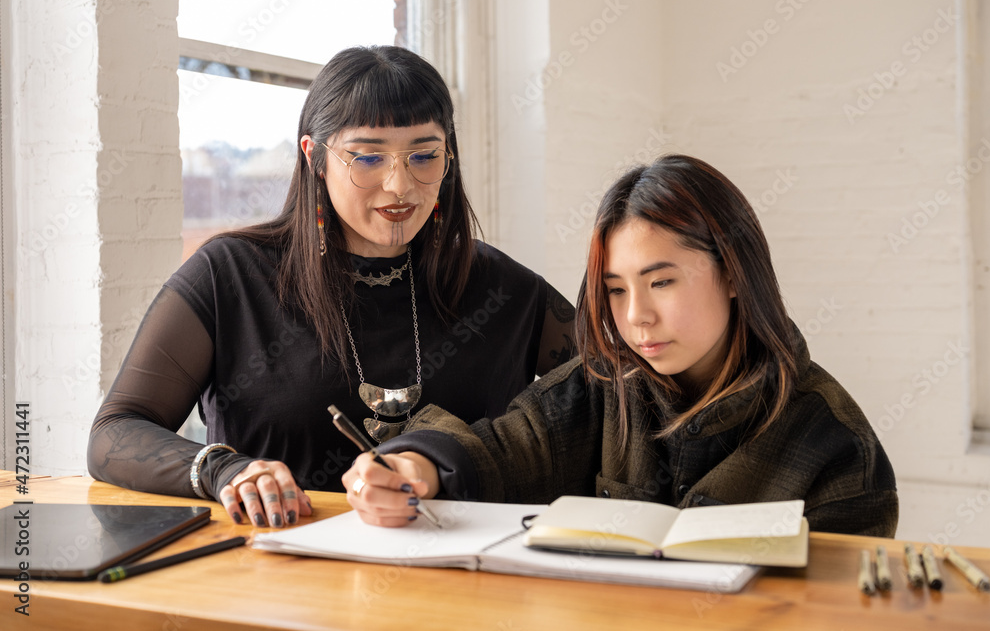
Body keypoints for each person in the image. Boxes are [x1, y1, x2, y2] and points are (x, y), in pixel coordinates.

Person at [88, 45, 576, 530]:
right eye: (368, 157)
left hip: (466, 566)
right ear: (315, 156)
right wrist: (225, 469)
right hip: (277, 565)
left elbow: (610, 382)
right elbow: (115, 432)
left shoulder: (500, 286)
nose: (399, 185)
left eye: (424, 155)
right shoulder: (230, 275)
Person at [343, 154, 899, 538]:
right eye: (615, 290)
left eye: (662, 282)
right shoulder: (601, 387)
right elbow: (502, 450)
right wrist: (414, 465)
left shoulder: (836, 445)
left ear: (733, 273)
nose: (636, 317)